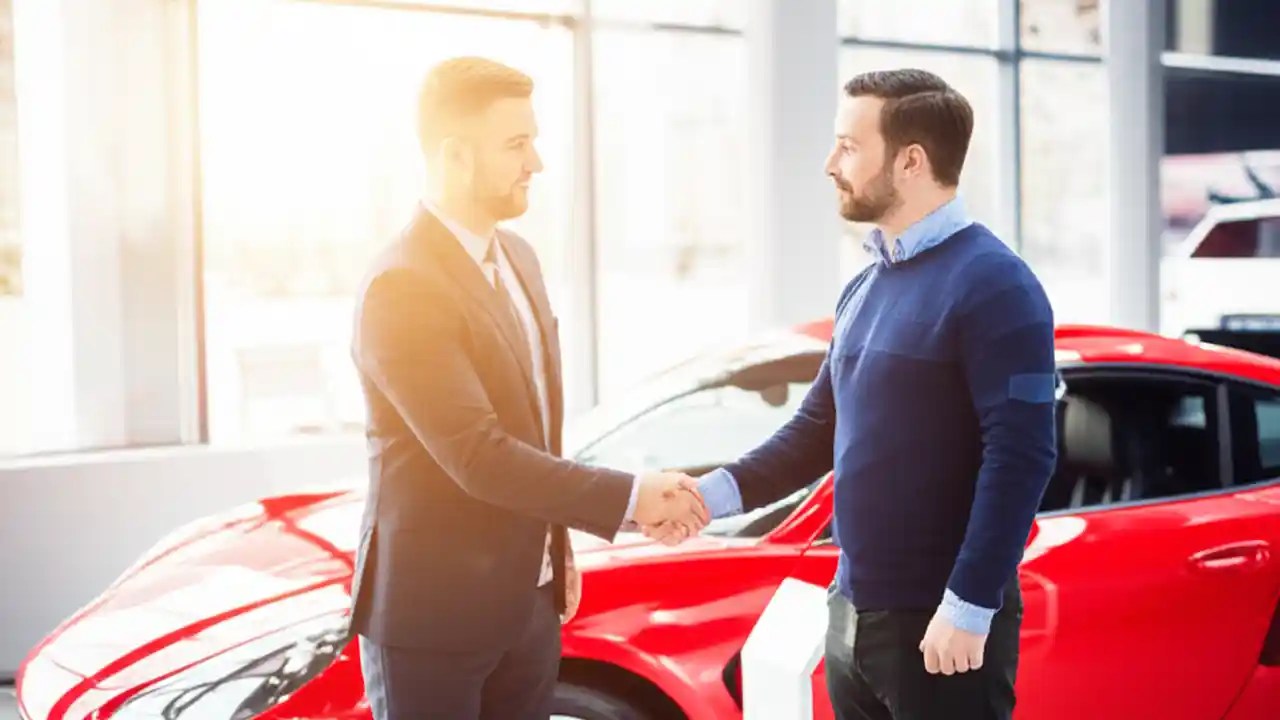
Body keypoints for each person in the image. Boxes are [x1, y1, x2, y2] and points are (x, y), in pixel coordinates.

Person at [649, 69, 1057, 719]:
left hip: (939, 621)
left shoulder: (997, 286)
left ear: (911, 161)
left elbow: (1024, 455)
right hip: (853, 610)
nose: (829, 163)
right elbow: (814, 431)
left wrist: (970, 604)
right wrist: (707, 496)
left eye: (848, 145)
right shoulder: (866, 287)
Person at [349, 56, 709, 720]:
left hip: (530, 606)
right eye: (517, 144)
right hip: (435, 623)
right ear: (455, 156)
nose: (537, 162)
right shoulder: (401, 285)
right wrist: (631, 497)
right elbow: (477, 453)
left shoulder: (520, 259)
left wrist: (556, 547)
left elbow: (536, 430)